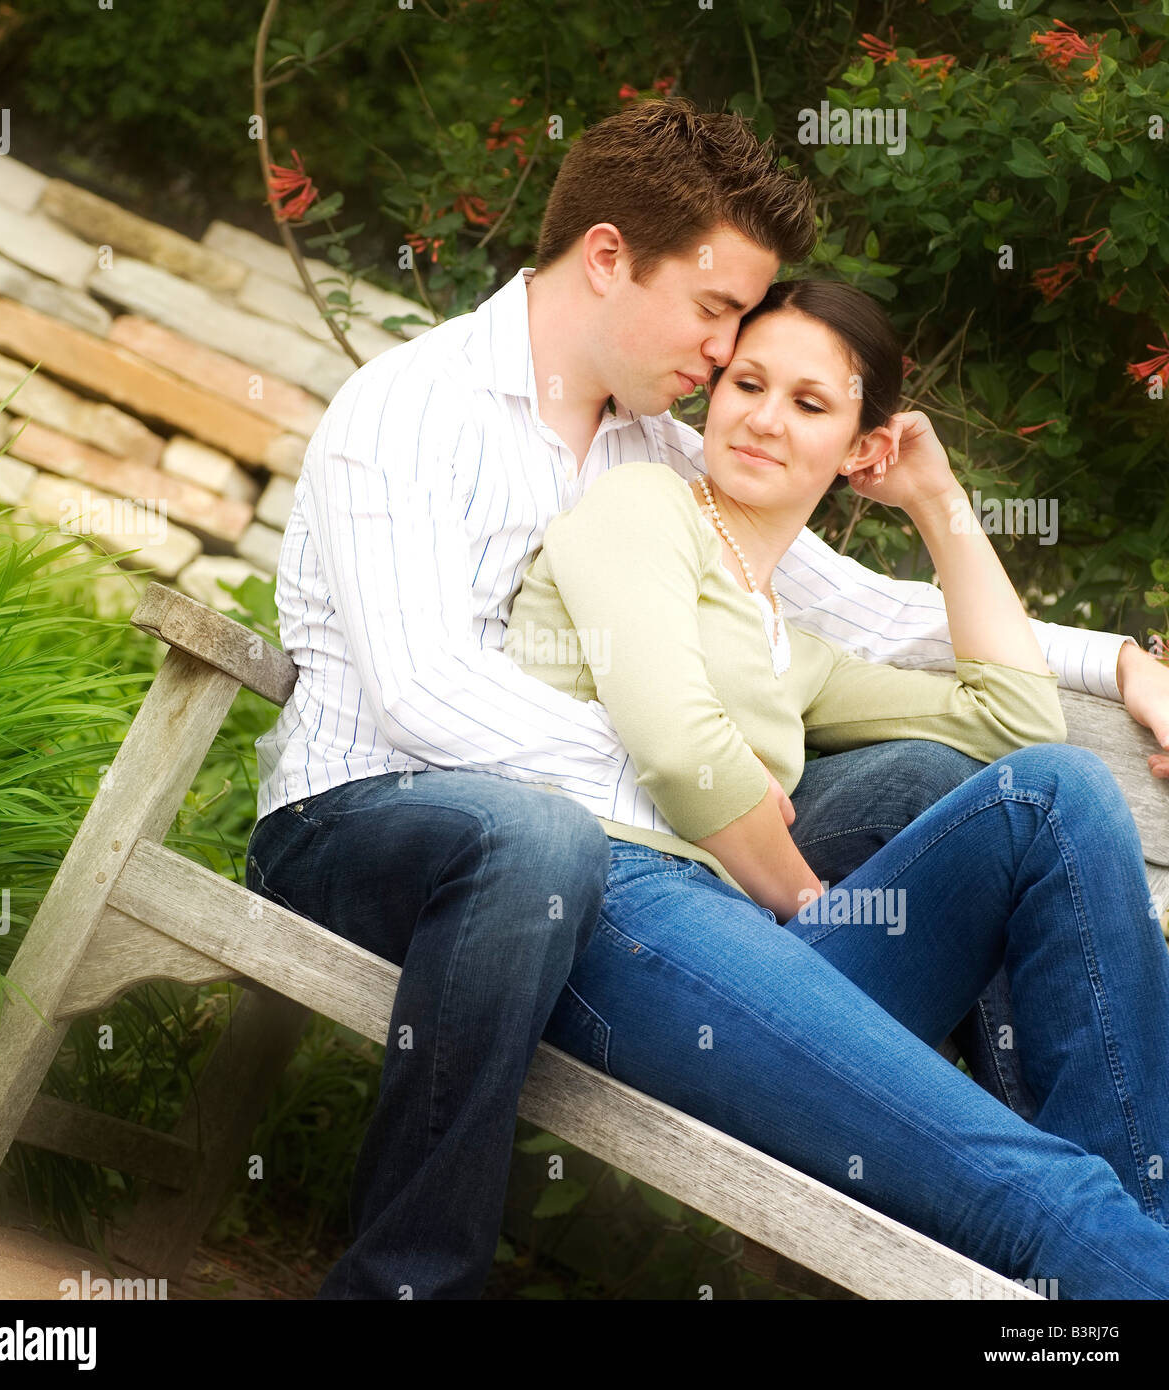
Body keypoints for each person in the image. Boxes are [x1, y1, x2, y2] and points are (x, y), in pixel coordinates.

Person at [245, 98, 1169, 1299]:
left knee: (1006, 790)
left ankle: (1134, 1228)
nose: (728, 354)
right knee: (540, 840)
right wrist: (710, 797)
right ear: (610, 256)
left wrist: (1121, 660)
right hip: (370, 822)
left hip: (640, 880)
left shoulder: (663, 448)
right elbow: (424, 695)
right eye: (719, 311)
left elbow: (871, 615)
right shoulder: (411, 409)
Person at [505, 277, 1169, 1298]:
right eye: (747, 383)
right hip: (610, 927)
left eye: (811, 405)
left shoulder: (793, 652)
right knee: (1045, 1197)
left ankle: (1136, 1244)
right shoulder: (642, 508)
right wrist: (800, 893)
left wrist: (939, 504)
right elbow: (683, 751)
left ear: (863, 449)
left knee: (1056, 792)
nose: (764, 417)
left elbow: (1014, 721)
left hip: (742, 966)